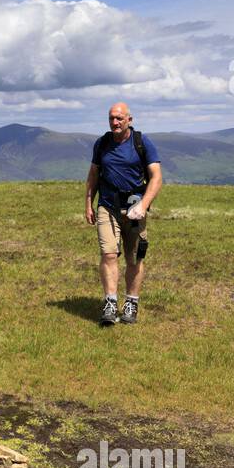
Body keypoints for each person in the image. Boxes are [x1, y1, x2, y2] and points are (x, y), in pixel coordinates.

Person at [83, 102, 162, 325]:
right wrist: (89, 202)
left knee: (134, 257)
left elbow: (156, 177)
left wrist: (144, 205)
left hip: (135, 208)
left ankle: (131, 303)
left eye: (119, 118)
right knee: (109, 254)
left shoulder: (141, 143)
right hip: (107, 206)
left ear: (129, 119)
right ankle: (110, 302)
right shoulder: (102, 144)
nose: (115, 122)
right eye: (111, 118)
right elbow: (93, 176)